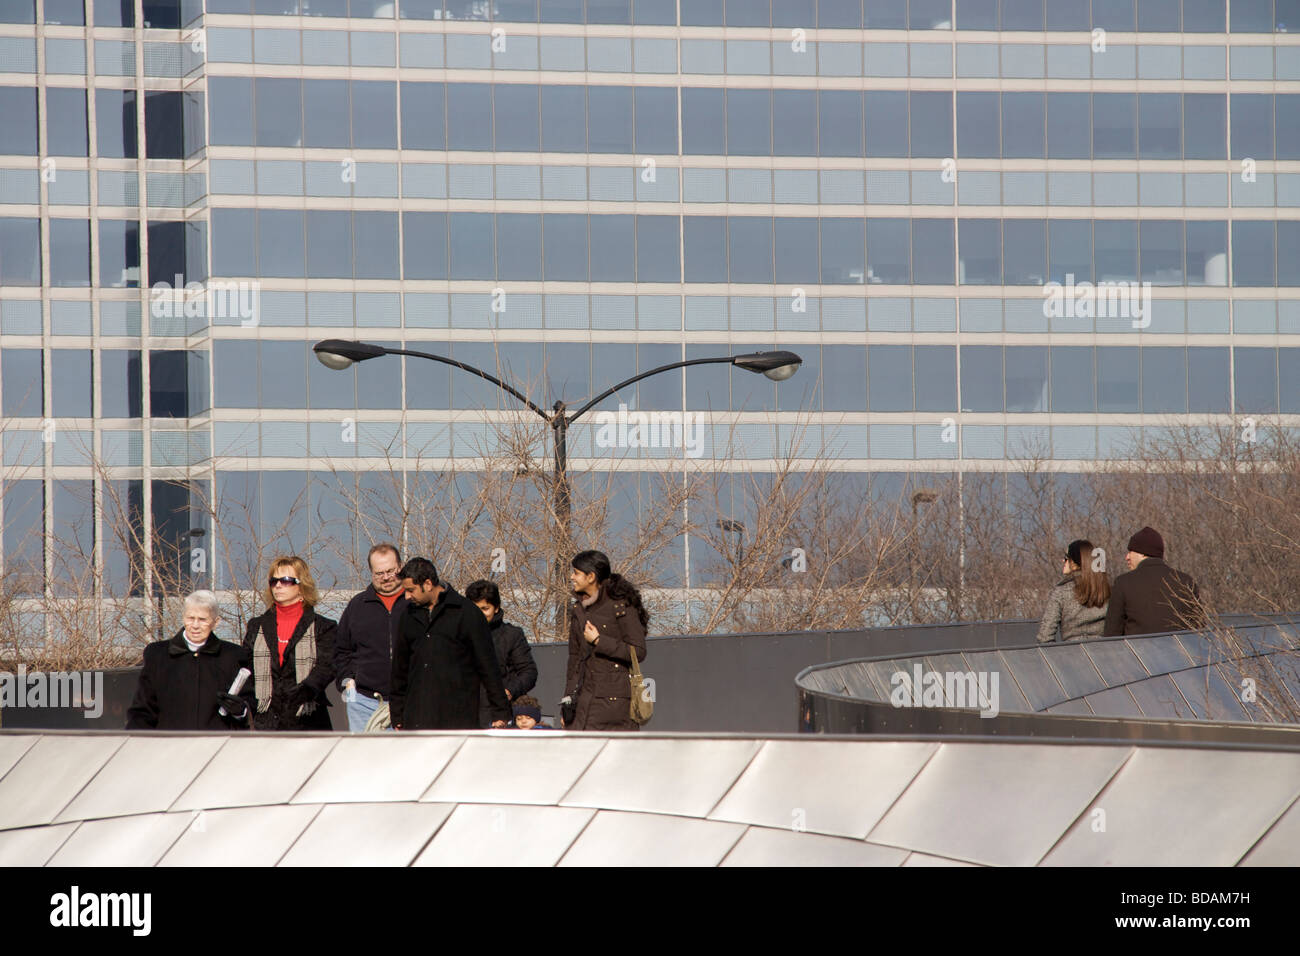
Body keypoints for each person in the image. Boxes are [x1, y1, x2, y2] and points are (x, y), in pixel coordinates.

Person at [389, 558, 511, 730]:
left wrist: (500, 712)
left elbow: (488, 666)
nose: (407, 596)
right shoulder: (407, 616)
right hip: (417, 716)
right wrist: (397, 714)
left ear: (428, 584)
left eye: (411, 590)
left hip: (457, 717)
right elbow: (399, 669)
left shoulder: (466, 613)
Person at [126, 590, 254, 730]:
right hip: (168, 747)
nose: (195, 625)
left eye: (202, 619)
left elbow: (249, 704)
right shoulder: (157, 655)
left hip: (215, 746)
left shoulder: (232, 655)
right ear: (183, 618)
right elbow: (142, 711)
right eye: (190, 618)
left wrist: (240, 711)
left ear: (216, 622)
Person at [242, 556, 337, 730]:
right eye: (274, 581)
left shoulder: (324, 627)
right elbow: (245, 668)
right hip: (266, 722)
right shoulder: (257, 625)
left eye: (286, 580)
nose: (278, 585)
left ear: (302, 586)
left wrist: (305, 690)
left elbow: (327, 666)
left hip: (307, 719)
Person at [561, 550, 648, 732]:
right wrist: (567, 701)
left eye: (576, 572)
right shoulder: (579, 610)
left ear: (591, 576)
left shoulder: (621, 606)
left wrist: (600, 640)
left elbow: (638, 651)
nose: (572, 577)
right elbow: (574, 659)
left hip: (614, 708)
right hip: (582, 703)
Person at [335, 543, 408, 733]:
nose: (385, 578)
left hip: (410, 701)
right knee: (364, 759)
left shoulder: (415, 602)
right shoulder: (357, 606)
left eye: (390, 571)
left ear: (400, 566)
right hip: (364, 703)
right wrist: (347, 682)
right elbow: (342, 650)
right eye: (379, 573)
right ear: (371, 572)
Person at [1103, 527, 1206, 636]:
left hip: (1138, 652)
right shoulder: (1186, 581)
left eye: (1130, 551)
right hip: (1180, 651)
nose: (1127, 557)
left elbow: (1112, 635)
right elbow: (1199, 628)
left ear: (1143, 553)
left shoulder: (1123, 583)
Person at [465, 578, 538, 728]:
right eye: (474, 609)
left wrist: (509, 691)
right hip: (465, 714)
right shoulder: (458, 635)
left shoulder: (512, 635)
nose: (479, 615)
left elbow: (529, 672)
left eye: (485, 609)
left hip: (498, 716)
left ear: (496, 608)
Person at [1035, 539, 1110, 643]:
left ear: (1074, 563)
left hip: (1071, 654)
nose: (1063, 561)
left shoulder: (1061, 591)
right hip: (1104, 652)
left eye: (1066, 558)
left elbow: (1044, 636)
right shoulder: (1107, 590)